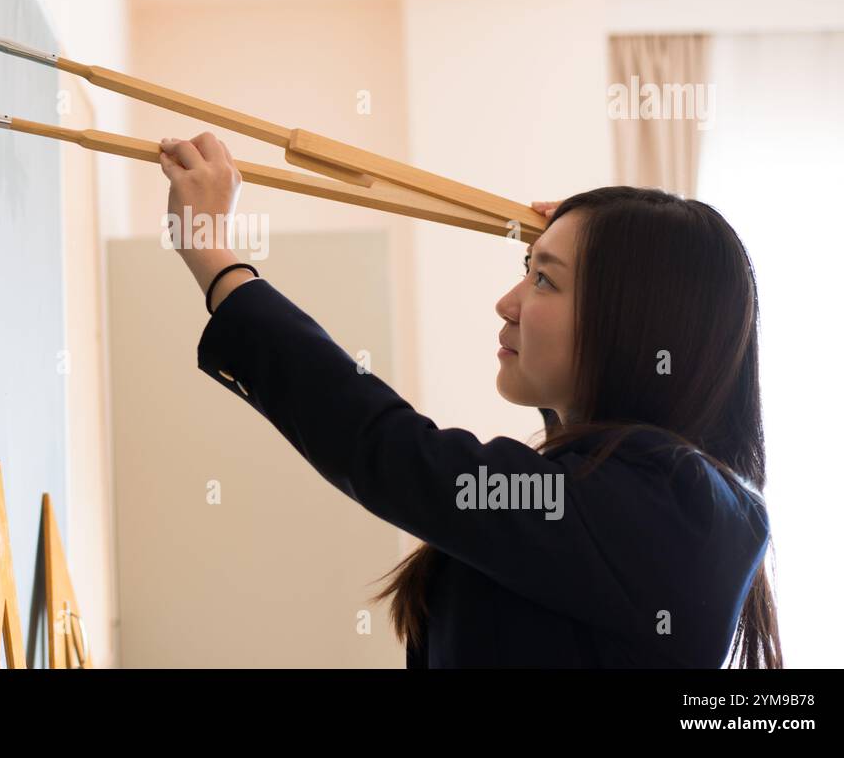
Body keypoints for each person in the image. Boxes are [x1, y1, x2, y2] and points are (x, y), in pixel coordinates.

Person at [158, 131, 780, 668]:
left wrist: (219, 264)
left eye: (543, 279)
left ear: (632, 325)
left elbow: (393, 452)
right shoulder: (628, 498)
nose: (508, 303)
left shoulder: (675, 511)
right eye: (528, 266)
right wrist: (593, 243)